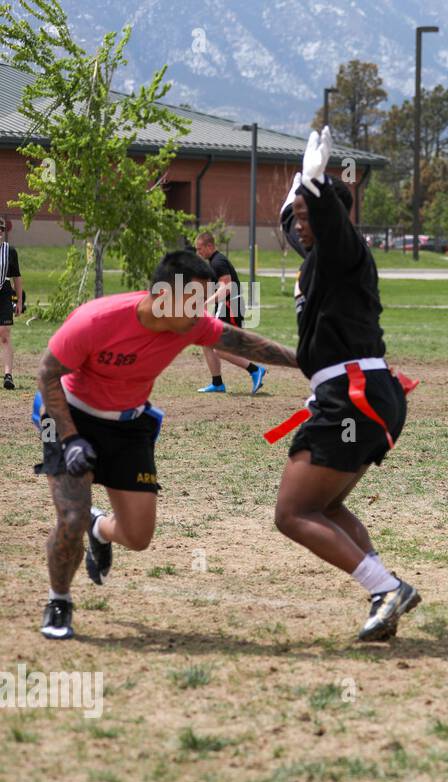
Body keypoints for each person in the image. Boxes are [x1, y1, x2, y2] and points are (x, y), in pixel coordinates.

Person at [32, 251, 298, 639]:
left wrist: (306, 361)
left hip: (129, 422)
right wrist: (71, 439)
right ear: (162, 295)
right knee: (70, 516)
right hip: (70, 415)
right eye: (193, 301)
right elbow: (47, 373)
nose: (200, 312)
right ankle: (59, 600)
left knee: (138, 537)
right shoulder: (97, 319)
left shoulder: (189, 324)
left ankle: (100, 529)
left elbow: (245, 343)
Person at [275, 128, 419, 642]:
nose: (301, 225)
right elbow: (292, 222)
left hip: (352, 398)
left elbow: (328, 220)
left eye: (309, 215)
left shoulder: (343, 248)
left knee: (292, 514)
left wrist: (315, 185)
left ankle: (386, 590)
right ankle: (385, 587)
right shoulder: (317, 251)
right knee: (326, 507)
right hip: (362, 395)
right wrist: (301, 184)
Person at [193, 231, 267, 394]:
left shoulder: (218, 262)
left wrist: (206, 303)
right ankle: (217, 383)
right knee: (206, 343)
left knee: (220, 349)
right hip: (225, 307)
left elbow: (226, 288)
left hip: (231, 308)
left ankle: (256, 370)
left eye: (200, 249)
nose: (198, 253)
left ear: (209, 246)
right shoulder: (214, 262)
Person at [1, 220, 24, 389]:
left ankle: (8, 375)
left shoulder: (10, 251)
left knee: (4, 332)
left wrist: (19, 302)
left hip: (4, 292)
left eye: (1, 229)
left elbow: (17, 277)